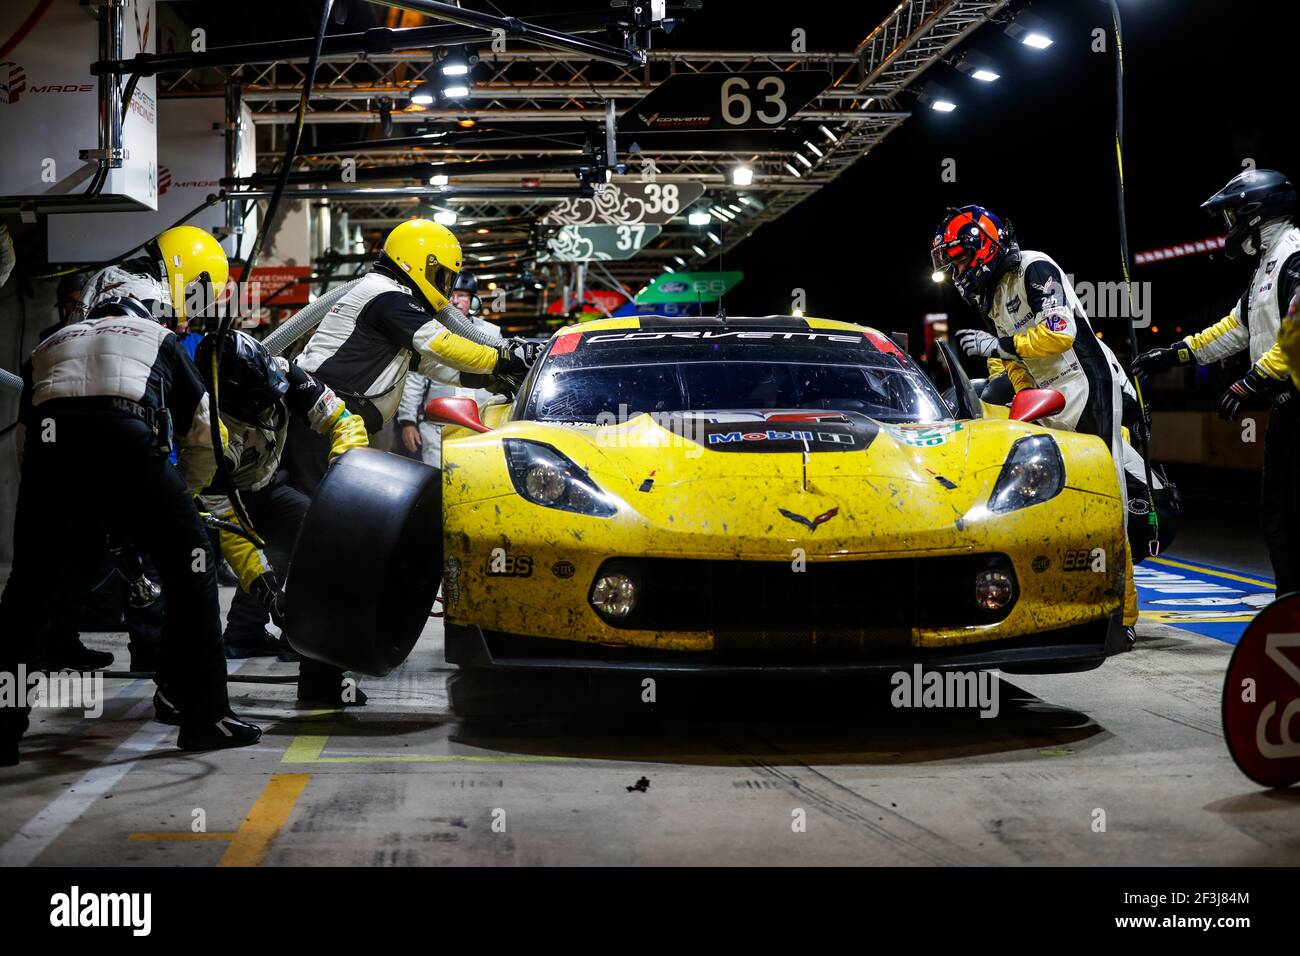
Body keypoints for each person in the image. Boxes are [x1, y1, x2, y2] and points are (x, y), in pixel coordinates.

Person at [0, 225, 260, 764]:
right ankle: (205, 716)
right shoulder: (159, 340)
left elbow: (27, 445)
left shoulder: (48, 345)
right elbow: (208, 436)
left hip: (53, 457)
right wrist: (178, 504)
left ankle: (2, 732)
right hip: (127, 440)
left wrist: (64, 509)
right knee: (193, 573)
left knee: (27, 594)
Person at [932, 205, 1140, 641]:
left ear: (983, 248)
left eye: (960, 259)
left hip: (1087, 382)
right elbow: (1016, 365)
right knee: (1057, 500)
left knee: (1107, 500)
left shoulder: (1034, 266)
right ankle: (1065, 604)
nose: (957, 272)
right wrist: (1024, 397)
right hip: (1050, 393)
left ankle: (1122, 617)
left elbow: (1060, 332)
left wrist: (1002, 344)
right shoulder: (990, 298)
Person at [1133, 169, 1300, 595]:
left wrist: (1255, 379)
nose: (1229, 227)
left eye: (1231, 215)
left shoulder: (1295, 254)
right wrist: (1176, 353)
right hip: (1287, 404)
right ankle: (1289, 609)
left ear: (1255, 214)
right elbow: (1235, 328)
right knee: (1279, 516)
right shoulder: (1268, 265)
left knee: (1288, 515)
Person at [283, 219, 538, 491]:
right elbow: (441, 343)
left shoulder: (385, 298)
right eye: (441, 275)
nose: (446, 289)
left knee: (328, 506)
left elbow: (429, 364)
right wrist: (505, 357)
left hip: (327, 420)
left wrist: (487, 379)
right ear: (419, 262)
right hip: (319, 419)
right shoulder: (387, 296)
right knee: (316, 509)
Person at [193, 330, 370, 706]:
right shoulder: (209, 434)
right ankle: (189, 693)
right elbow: (233, 528)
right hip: (211, 503)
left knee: (323, 538)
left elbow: (344, 421)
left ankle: (320, 679)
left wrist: (348, 475)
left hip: (267, 484)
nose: (268, 408)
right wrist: (270, 592)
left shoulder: (287, 375)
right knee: (192, 584)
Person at [396, 270, 501, 468]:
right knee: (439, 484)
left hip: (483, 425)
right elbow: (415, 379)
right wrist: (408, 421)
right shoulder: (431, 331)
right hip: (438, 429)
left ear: (474, 301)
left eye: (462, 295)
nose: (456, 301)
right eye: (451, 295)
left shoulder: (491, 333)